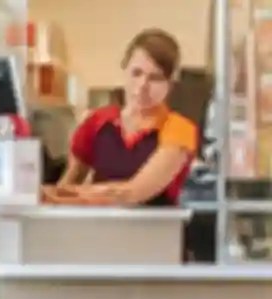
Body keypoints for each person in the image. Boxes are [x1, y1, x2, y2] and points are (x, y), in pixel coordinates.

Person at [45, 29, 199, 206]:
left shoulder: (180, 129)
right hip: (99, 228)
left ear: (170, 83)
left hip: (155, 231)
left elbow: (133, 192)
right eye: (136, 73)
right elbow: (67, 185)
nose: (142, 85)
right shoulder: (97, 122)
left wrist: (66, 194)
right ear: (124, 70)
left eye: (155, 78)